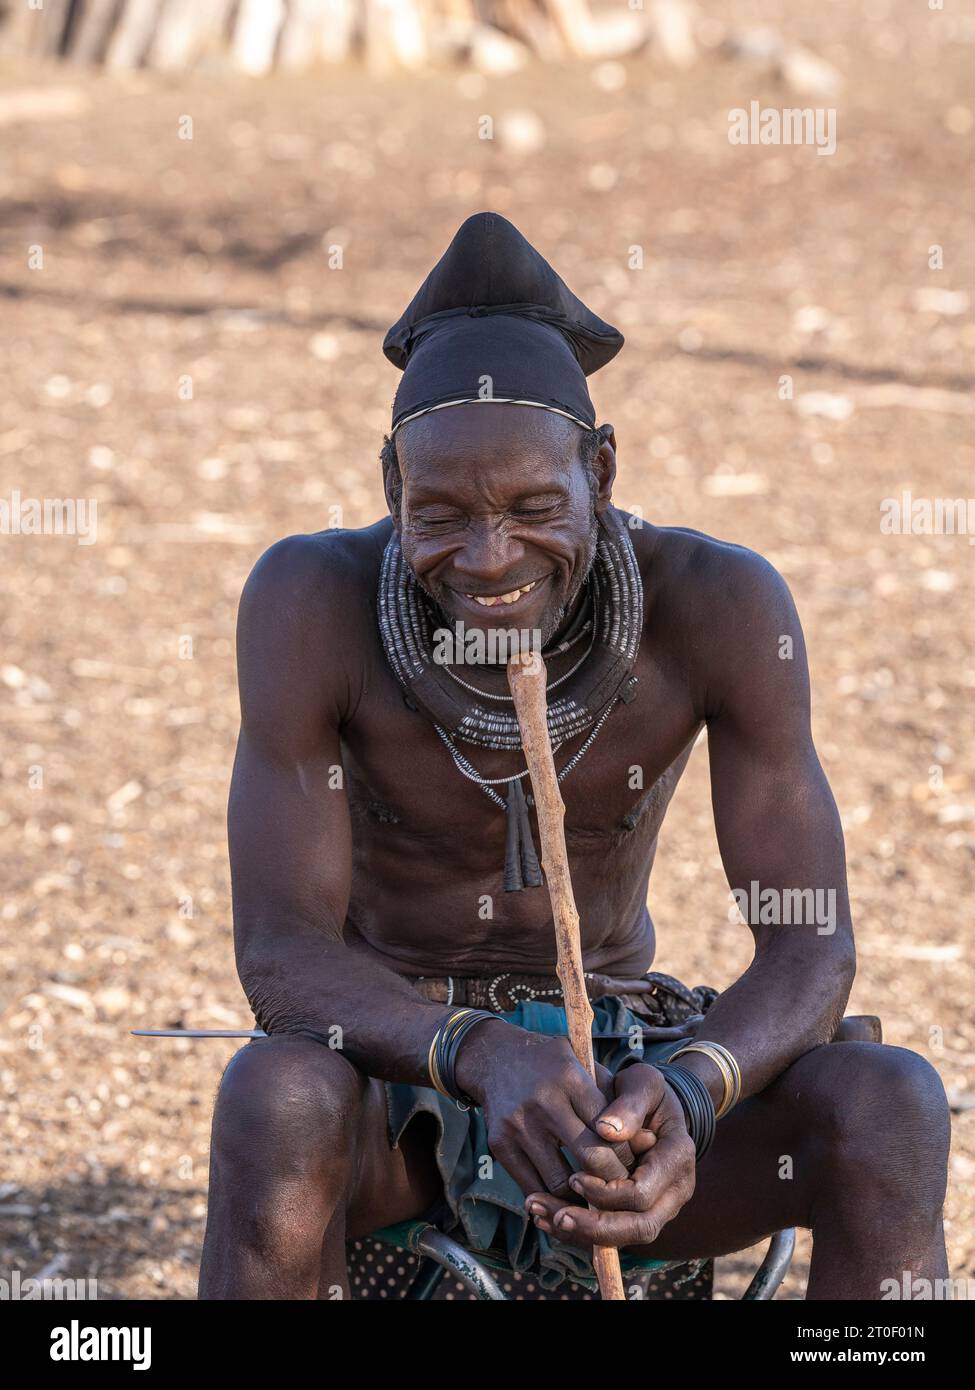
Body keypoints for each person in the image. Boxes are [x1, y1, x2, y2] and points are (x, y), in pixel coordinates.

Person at [199, 213, 949, 1299]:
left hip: (625, 1075)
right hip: (395, 1094)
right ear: (387, 487)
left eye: (536, 507)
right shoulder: (309, 602)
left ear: (601, 466)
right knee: (275, 1097)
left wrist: (692, 1087)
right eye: (440, 511)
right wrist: (475, 1049)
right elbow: (279, 951)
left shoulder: (718, 606)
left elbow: (809, 948)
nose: (490, 554)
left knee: (890, 1104)